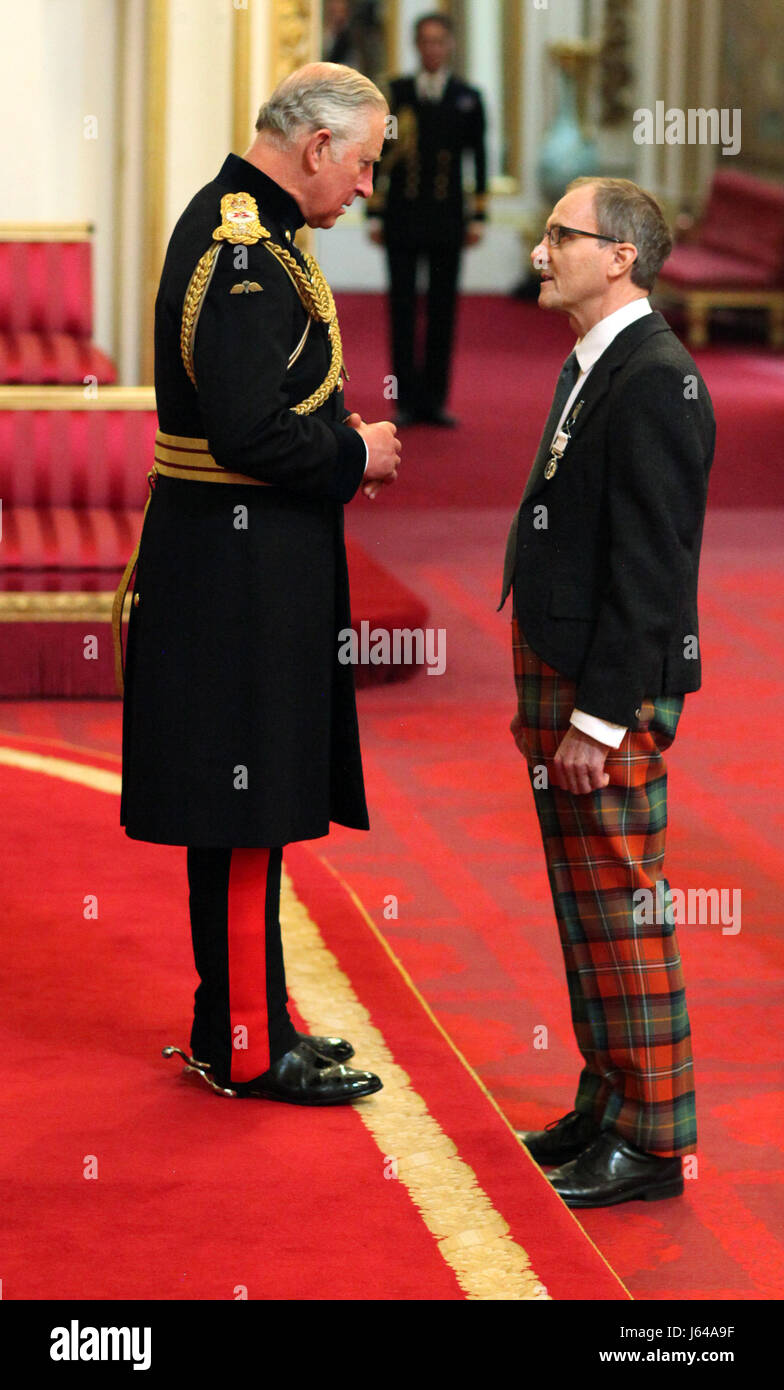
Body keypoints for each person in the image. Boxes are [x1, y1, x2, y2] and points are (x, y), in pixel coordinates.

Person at [117, 63, 401, 1105]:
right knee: (245, 805)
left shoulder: (262, 230)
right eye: (362, 164)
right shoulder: (241, 244)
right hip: (233, 574)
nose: (365, 186)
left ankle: (252, 1010)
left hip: (243, 563)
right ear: (317, 146)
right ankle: (243, 1042)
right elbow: (245, 429)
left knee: (258, 801)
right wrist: (353, 454)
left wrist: (329, 437)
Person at [499, 177, 715, 1207]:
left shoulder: (657, 377)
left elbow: (653, 569)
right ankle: (608, 1101)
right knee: (587, 912)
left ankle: (653, 1140)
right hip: (567, 669)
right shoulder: (598, 357)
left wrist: (599, 717)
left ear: (621, 255)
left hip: (605, 692)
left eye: (560, 235)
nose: (540, 252)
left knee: (625, 912)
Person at [367, 12, 487, 427]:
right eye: (425, 41)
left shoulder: (467, 98)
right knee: (401, 308)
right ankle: (403, 400)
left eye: (439, 41)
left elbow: (478, 158)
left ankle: (434, 400)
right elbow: (379, 153)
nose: (432, 48)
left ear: (450, 45)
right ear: (416, 46)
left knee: (441, 309)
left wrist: (479, 215)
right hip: (402, 215)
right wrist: (374, 210)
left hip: (446, 218)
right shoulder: (397, 94)